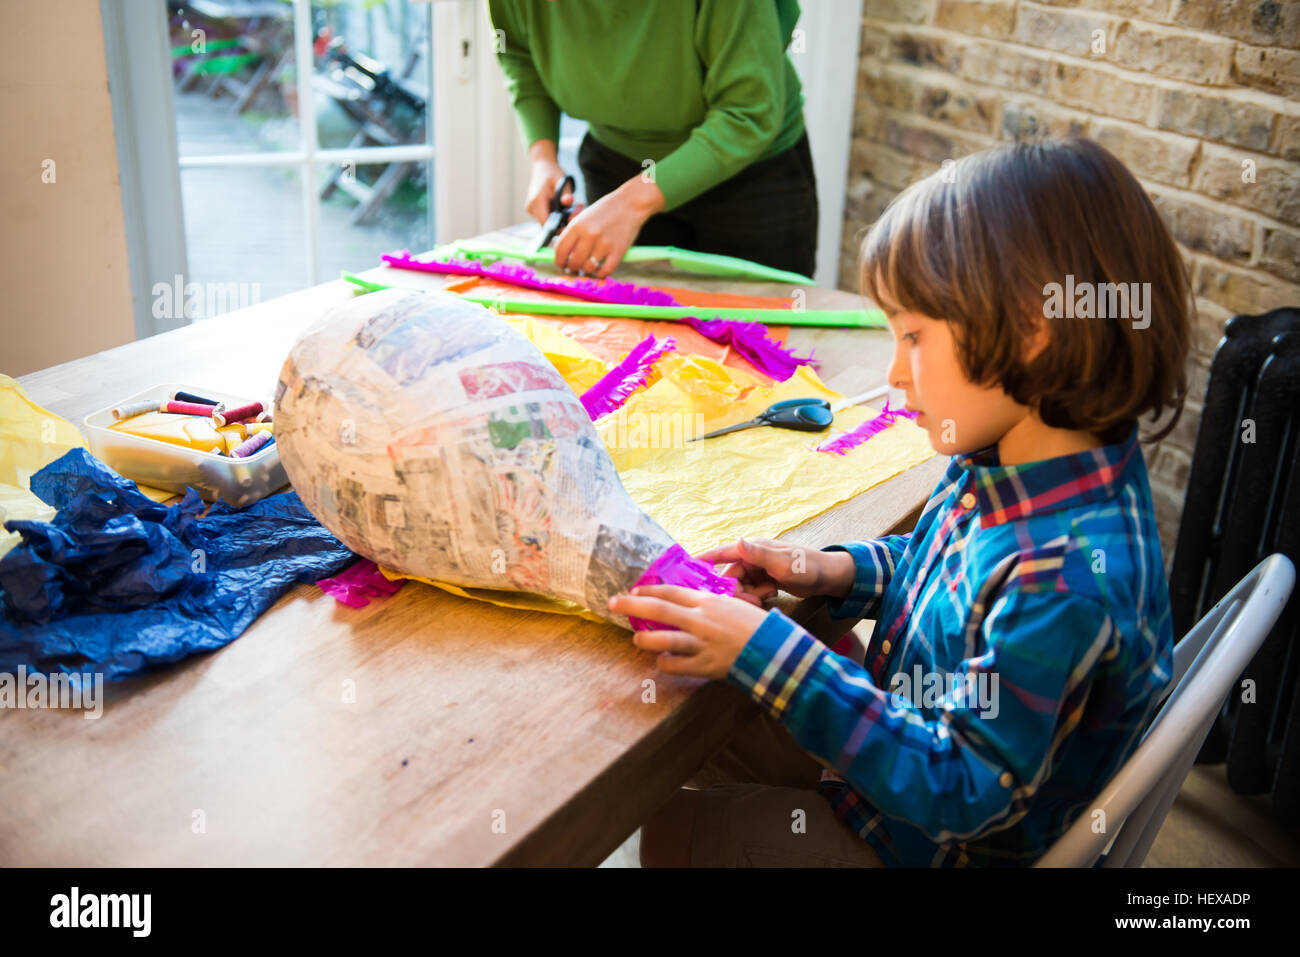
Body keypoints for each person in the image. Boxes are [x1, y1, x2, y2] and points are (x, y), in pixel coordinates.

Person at [609, 136, 1194, 867]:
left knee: (669, 825)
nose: (894, 373)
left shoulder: (1064, 577)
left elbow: (958, 788)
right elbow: (938, 566)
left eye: (914, 337)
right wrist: (830, 571)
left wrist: (770, 648)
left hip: (928, 843)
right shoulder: (1013, 453)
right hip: (904, 755)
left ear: (1030, 333)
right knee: (700, 714)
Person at [487, 0, 817, 280]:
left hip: (750, 176)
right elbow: (517, 51)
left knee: (762, 340)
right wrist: (543, 157)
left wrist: (633, 203)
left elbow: (749, 112)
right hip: (616, 165)